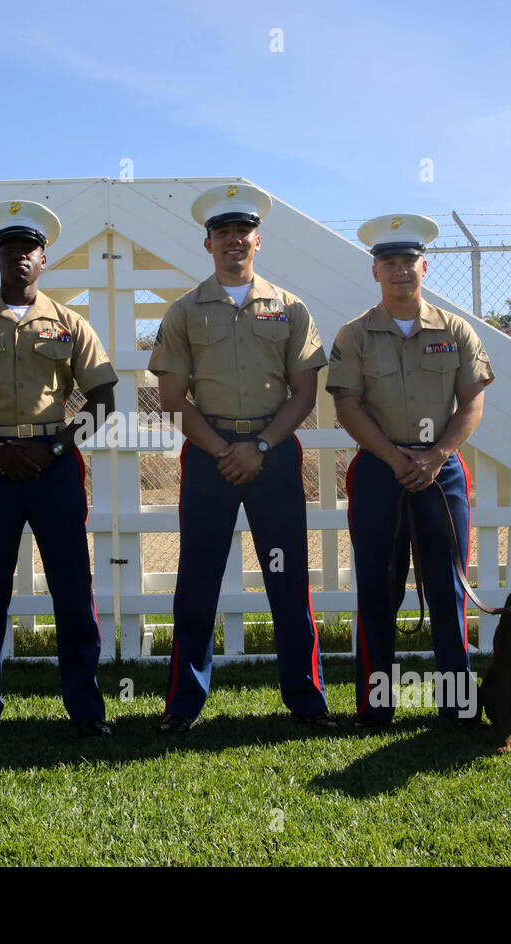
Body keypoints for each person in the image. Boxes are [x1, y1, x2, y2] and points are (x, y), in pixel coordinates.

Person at [149, 183, 334, 733]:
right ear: (206, 243)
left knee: (287, 580)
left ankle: (306, 700)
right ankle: (183, 704)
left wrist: (257, 448)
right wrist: (222, 450)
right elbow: (171, 397)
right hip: (208, 457)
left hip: (271, 453)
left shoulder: (290, 307)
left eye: (242, 232)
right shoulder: (184, 311)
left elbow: (304, 391)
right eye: (221, 233)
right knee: (197, 580)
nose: (233, 240)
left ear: (259, 239)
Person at [0, 200, 117, 738]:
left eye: (28, 250)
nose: (18, 258)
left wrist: (54, 448)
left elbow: (103, 397)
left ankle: (85, 709)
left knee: (72, 587)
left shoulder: (69, 323)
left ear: (43, 259)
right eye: (8, 250)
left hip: (54, 467)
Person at [327, 213, 494, 728]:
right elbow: (348, 406)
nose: (400, 271)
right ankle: (376, 707)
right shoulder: (354, 336)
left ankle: (457, 706)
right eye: (389, 263)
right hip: (379, 468)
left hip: (440, 469)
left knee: (447, 587)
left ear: (425, 267)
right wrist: (397, 458)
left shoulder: (456, 330)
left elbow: (472, 402)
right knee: (378, 588)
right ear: (374, 272)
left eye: (408, 263)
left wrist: (437, 454)